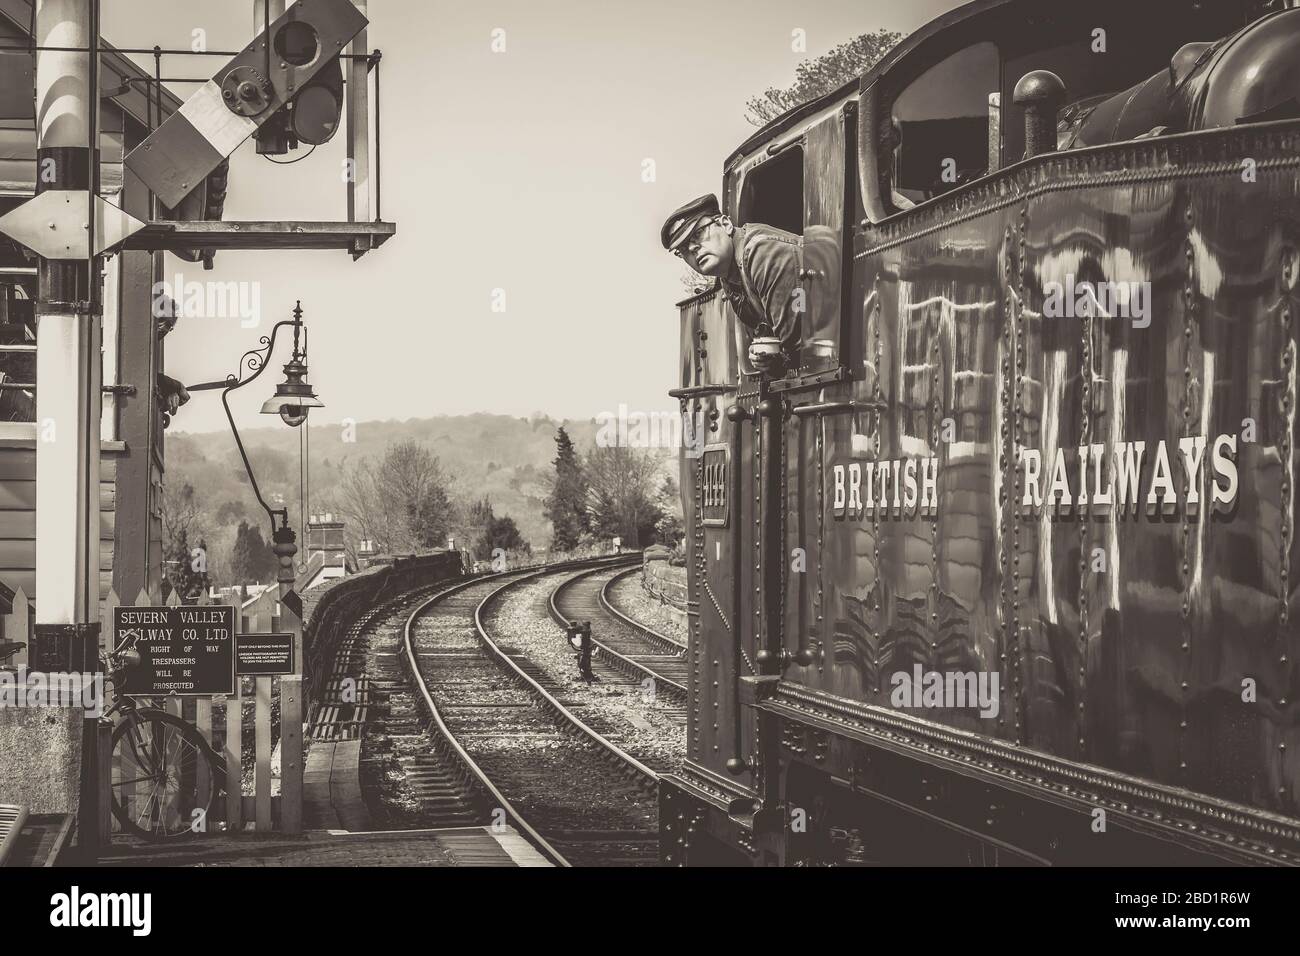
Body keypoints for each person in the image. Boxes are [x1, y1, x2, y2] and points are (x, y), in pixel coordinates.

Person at [661, 194, 803, 368]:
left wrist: (779, 360)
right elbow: (770, 342)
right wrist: (766, 358)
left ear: (725, 225)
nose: (692, 248)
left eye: (698, 233)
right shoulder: (728, 279)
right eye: (683, 249)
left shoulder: (762, 252)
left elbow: (799, 351)